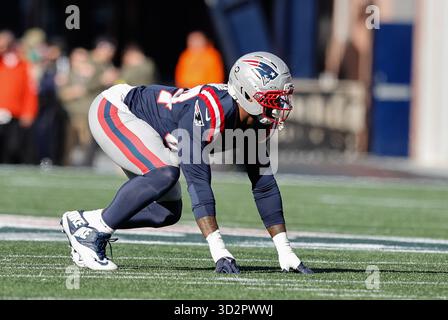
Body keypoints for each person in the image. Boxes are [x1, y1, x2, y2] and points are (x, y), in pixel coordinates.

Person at [60, 52, 313, 275]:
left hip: (151, 131)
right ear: (247, 93)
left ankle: (85, 222)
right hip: (116, 110)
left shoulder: (256, 123)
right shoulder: (211, 109)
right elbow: (198, 181)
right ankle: (93, 234)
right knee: (165, 174)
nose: (281, 105)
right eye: (273, 97)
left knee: (166, 212)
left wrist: (285, 251)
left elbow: (264, 185)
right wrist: (220, 251)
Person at [0, 30, 38, 164]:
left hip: (15, 114)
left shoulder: (23, 65)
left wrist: (28, 112)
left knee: (13, 148)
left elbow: (30, 91)